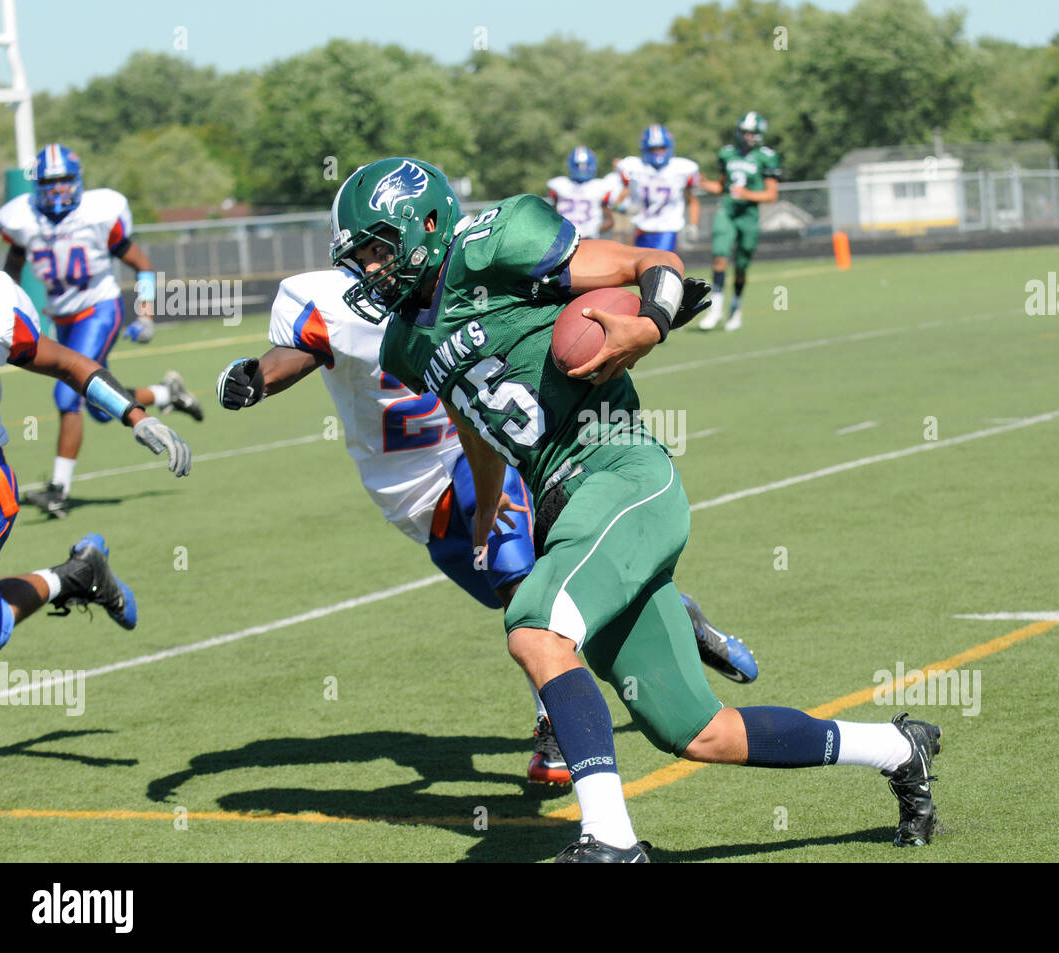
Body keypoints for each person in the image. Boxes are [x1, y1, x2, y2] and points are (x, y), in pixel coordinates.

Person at [329, 157, 941, 862]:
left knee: (534, 627)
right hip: (565, 504)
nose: (369, 269)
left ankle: (611, 840)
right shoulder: (404, 341)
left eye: (376, 248)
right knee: (696, 730)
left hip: (619, 468)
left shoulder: (494, 242)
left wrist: (649, 324)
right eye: (362, 256)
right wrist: (488, 503)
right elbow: (475, 419)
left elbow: (655, 260)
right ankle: (898, 747)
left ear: (426, 223)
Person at [215, 266, 757, 785]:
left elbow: (553, 302)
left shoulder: (462, 274)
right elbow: (297, 352)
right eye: (369, 252)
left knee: (525, 592)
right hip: (410, 490)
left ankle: (556, 730)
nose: (383, 264)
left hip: (478, 449)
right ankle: (670, 611)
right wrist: (255, 379)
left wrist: (647, 309)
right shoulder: (329, 299)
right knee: (531, 591)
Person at [0, 270, 192, 656]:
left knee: (70, 405)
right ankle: (78, 574)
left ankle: (60, 488)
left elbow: (67, 364)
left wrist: (134, 414)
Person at [0, 144, 203, 519]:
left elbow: (142, 265)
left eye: (63, 181)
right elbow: (10, 268)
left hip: (98, 310)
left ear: (77, 181)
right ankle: (164, 392)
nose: (57, 190)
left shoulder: (98, 213)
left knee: (67, 394)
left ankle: (59, 490)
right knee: (101, 408)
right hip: (62, 318)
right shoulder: (23, 220)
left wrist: (145, 315)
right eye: (48, 182)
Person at [698, 112, 782, 332]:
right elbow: (722, 187)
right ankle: (715, 308)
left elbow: (772, 195)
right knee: (719, 258)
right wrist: (705, 184)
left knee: (742, 267)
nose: (748, 136)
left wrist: (747, 194)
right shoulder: (727, 154)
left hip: (748, 215)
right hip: (727, 210)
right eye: (745, 131)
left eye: (752, 132)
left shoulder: (767, 156)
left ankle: (735, 306)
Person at [614, 125, 701, 252]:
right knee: (638, 270)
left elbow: (692, 200)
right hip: (640, 228)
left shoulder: (681, 169)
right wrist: (624, 209)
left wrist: (693, 225)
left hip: (667, 230)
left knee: (659, 267)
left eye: (661, 148)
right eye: (653, 149)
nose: (657, 152)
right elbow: (616, 202)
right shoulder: (635, 168)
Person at [546, 147, 619, 240]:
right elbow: (551, 215)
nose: (582, 169)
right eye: (578, 165)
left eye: (585, 165)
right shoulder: (559, 185)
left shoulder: (601, 186)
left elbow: (610, 221)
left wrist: (593, 232)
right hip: (563, 239)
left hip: (588, 240)